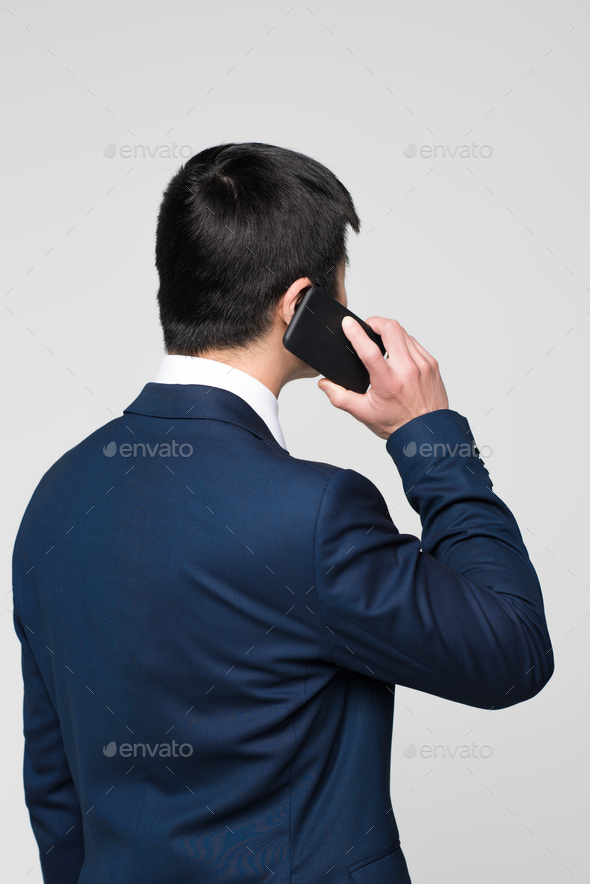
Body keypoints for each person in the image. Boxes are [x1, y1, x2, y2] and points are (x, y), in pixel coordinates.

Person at [12, 142, 553, 884]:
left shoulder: (57, 497)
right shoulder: (316, 513)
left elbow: (55, 792)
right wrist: (426, 436)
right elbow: (511, 651)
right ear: (303, 306)